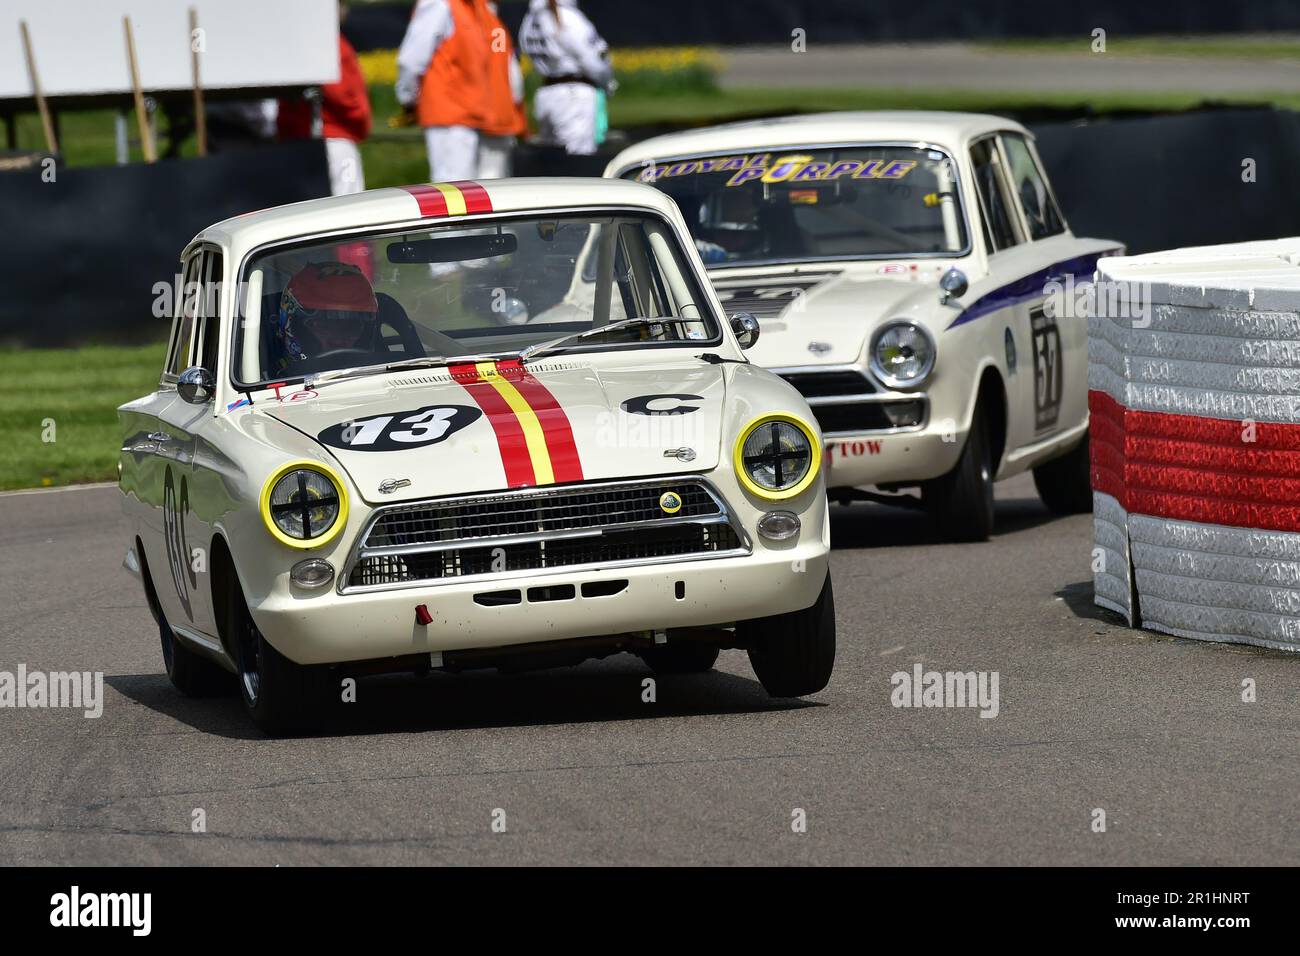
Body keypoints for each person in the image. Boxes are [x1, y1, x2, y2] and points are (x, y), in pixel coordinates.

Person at [278, 3, 372, 195]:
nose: (345, 10)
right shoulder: (328, 43)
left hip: (302, 139)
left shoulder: (297, 42)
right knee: (349, 208)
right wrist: (361, 120)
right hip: (334, 138)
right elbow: (342, 95)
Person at [395, 0, 492, 182]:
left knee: (465, 194)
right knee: (454, 194)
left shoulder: (472, 7)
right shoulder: (439, 4)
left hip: (465, 118)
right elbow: (411, 60)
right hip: (448, 121)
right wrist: (408, 100)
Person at [519, 0, 613, 156]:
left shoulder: (530, 19)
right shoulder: (569, 17)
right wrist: (606, 82)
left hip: (546, 92)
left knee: (551, 162)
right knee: (578, 163)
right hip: (573, 97)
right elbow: (594, 59)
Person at [274, 262, 379, 371]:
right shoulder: (262, 379)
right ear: (293, 326)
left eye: (351, 327)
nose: (339, 340)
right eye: (324, 325)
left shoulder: (388, 372)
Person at [478, 1, 527, 178]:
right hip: (497, 112)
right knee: (493, 177)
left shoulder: (460, 19)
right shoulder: (497, 28)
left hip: (463, 114)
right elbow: (515, 83)